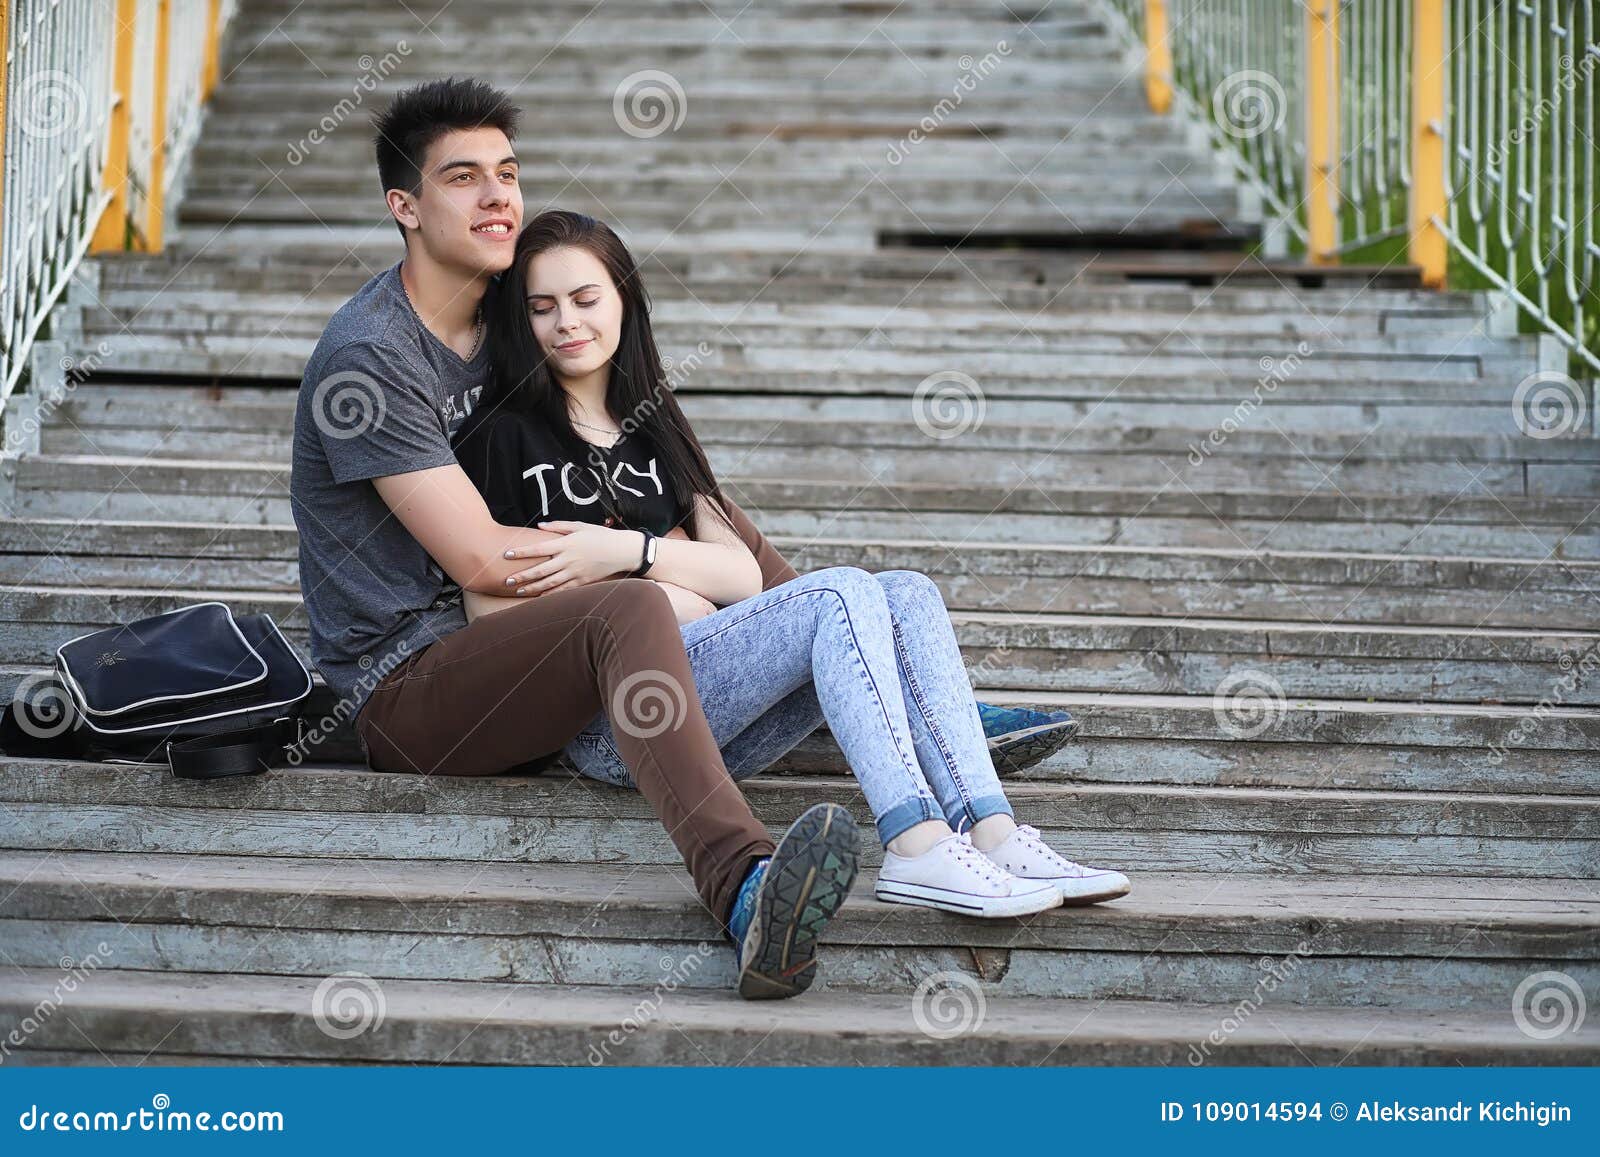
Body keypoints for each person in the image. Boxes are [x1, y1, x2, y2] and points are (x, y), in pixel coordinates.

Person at [289, 77, 860, 1001]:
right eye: (464, 178)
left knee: (669, 460)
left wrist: (671, 524)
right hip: (409, 685)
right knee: (629, 600)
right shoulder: (373, 356)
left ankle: (861, 661)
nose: (498, 197)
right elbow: (481, 561)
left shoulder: (501, 314)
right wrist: (648, 566)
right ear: (404, 206)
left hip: (521, 654)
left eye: (507, 173)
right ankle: (745, 886)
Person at [453, 209, 1132, 918]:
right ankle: (913, 841)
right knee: (835, 595)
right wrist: (657, 595)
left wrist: (630, 553)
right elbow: (492, 618)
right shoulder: (503, 436)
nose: (567, 321)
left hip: (714, 694)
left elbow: (741, 574)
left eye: (586, 299)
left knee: (904, 591)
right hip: (611, 722)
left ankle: (990, 830)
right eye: (542, 307)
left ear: (625, 300)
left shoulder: (653, 424)